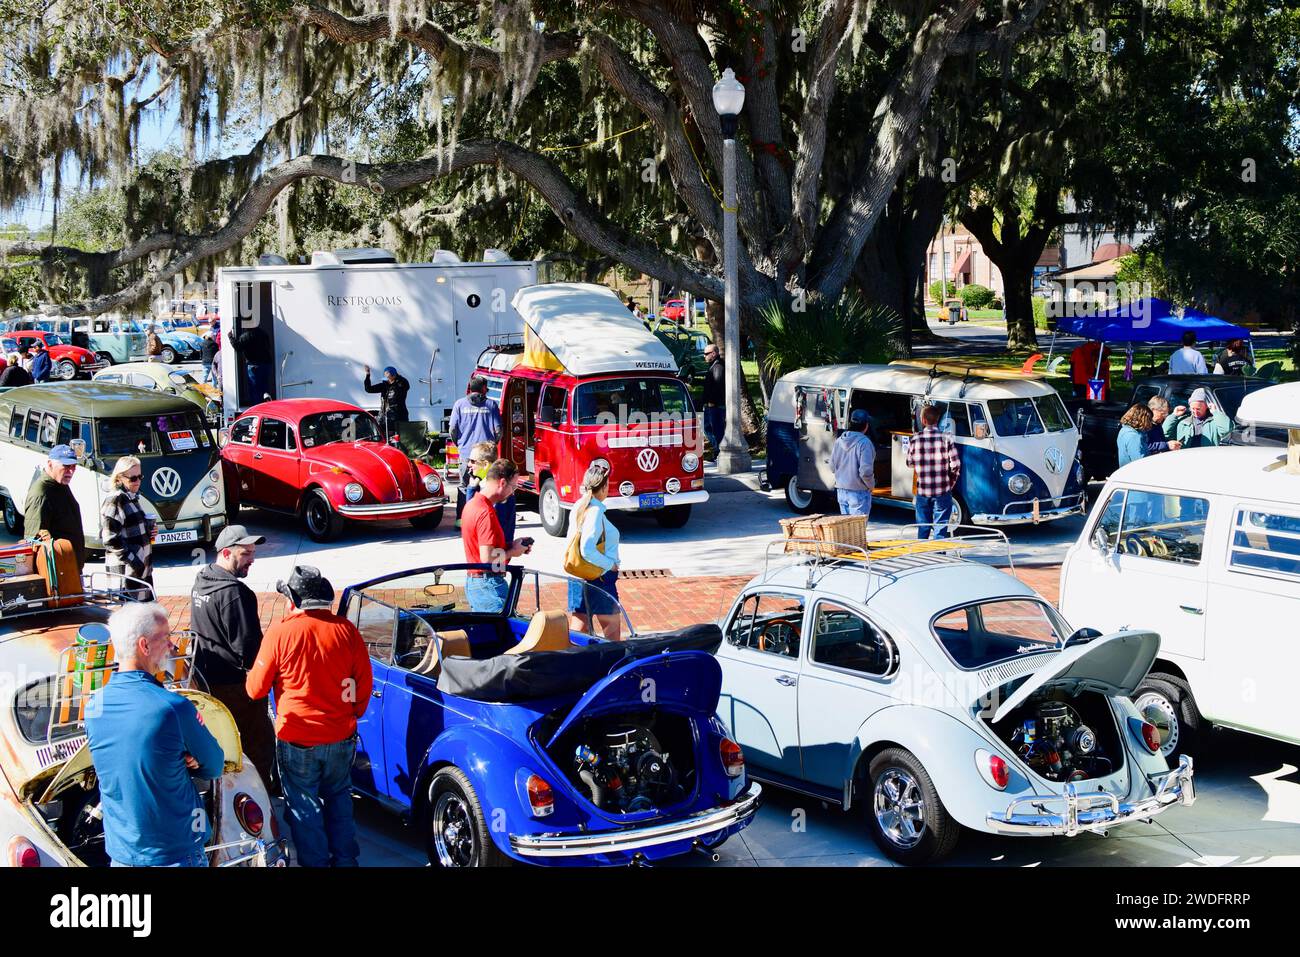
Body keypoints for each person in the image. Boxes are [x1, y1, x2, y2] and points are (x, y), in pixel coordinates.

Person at [246, 566, 372, 868]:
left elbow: (255, 689)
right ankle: (345, 861)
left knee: (305, 808)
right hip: (340, 734)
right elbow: (363, 685)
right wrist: (352, 714)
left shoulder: (280, 632)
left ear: (292, 600)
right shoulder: (346, 630)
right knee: (340, 799)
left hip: (298, 737)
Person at [84, 602, 225, 867]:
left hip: (122, 854)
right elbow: (215, 765)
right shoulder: (174, 708)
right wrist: (189, 763)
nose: (172, 646)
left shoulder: (93, 708)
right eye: (166, 638)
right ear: (144, 646)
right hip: (175, 853)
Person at [190, 525, 276, 788]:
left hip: (206, 681)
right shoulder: (235, 594)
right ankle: (257, 801)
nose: (252, 559)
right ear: (226, 553)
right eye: (246, 553)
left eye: (252, 552)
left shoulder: (202, 579)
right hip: (235, 688)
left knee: (222, 746)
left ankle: (225, 793)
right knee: (256, 745)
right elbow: (249, 651)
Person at [461, 458, 531, 612]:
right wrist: (514, 552)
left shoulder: (473, 504)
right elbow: (487, 560)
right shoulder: (485, 512)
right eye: (513, 486)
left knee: (488, 633)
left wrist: (511, 545)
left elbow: (483, 550)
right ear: (502, 483)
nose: (513, 492)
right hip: (488, 584)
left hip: (476, 583)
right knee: (502, 633)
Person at [566, 462, 623, 640]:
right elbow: (586, 548)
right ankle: (613, 663)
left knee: (579, 623)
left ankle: (574, 661)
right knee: (612, 627)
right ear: (604, 486)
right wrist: (610, 565)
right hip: (600, 576)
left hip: (578, 574)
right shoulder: (595, 510)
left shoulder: (579, 505)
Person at [23, 444, 87, 570]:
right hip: (58, 574)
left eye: (74, 466)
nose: (71, 471)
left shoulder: (59, 484)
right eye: (66, 466)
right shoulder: (41, 494)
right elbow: (35, 542)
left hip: (69, 567)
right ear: (50, 464)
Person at [100, 456, 156, 599]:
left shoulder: (131, 497)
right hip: (126, 573)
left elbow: (131, 529)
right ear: (119, 478)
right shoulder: (116, 499)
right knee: (131, 616)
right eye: (133, 478)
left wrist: (149, 530)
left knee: (145, 613)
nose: (137, 481)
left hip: (139, 571)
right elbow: (110, 539)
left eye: (140, 477)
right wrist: (134, 561)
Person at [448, 375, 502, 524]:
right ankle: (487, 520)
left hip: (466, 454)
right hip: (486, 456)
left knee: (465, 487)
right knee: (489, 486)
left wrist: (460, 444)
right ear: (484, 388)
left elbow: (452, 429)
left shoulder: (459, 404)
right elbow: (498, 430)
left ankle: (462, 521)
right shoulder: (491, 405)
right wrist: (491, 447)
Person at [905, 404, 961, 540]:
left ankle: (923, 557)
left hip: (923, 490)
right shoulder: (946, 438)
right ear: (937, 420)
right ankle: (939, 557)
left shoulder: (915, 439)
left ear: (923, 420)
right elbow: (956, 465)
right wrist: (950, 483)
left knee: (923, 526)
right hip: (942, 490)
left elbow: (909, 463)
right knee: (941, 527)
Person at [464, 439, 518, 540]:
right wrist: (472, 487)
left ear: (485, 465)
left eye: (472, 461)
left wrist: (508, 551)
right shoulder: (480, 485)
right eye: (468, 460)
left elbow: (501, 532)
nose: (469, 465)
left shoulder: (500, 493)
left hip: (495, 551)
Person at [830, 408, 876, 517]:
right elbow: (865, 471)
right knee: (858, 531)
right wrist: (871, 485)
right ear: (866, 426)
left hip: (841, 491)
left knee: (847, 531)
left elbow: (832, 466)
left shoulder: (839, 440)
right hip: (859, 492)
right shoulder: (865, 443)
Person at [1164, 387, 1232, 448]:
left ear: (1206, 406)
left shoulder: (1214, 422)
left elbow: (1227, 429)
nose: (1195, 412)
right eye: (1193, 409)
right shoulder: (1183, 421)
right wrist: (1174, 415)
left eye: (1198, 409)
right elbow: (1165, 433)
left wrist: (1215, 412)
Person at [362, 364, 410, 439]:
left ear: (393, 375)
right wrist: (368, 374)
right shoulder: (384, 386)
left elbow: (405, 386)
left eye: (388, 376)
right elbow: (368, 389)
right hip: (384, 417)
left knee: (398, 439)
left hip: (398, 416)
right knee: (383, 438)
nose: (387, 378)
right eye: (385, 376)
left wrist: (396, 379)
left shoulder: (402, 384)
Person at [233, 316, 273, 403]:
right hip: (266, 363)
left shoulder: (245, 336)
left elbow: (237, 347)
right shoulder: (263, 333)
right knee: (264, 385)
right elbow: (268, 346)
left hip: (253, 364)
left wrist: (230, 337)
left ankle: (257, 407)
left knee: (254, 387)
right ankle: (266, 400)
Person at [701, 343, 725, 452]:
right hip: (711, 405)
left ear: (713, 353)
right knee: (707, 429)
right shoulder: (714, 365)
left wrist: (711, 402)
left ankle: (719, 452)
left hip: (715, 406)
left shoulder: (718, 367)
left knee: (716, 431)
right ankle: (717, 451)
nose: (704, 356)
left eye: (706, 354)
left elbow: (718, 385)